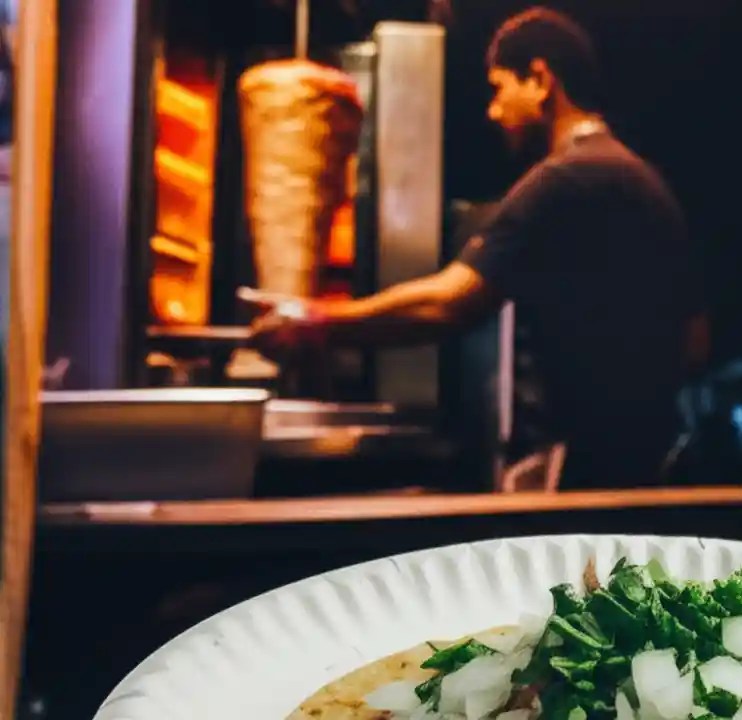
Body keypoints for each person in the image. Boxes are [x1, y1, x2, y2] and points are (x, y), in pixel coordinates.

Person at [248, 7, 705, 490]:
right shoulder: (645, 183)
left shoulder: (565, 178)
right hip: (644, 469)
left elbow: (448, 303)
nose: (493, 111)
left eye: (498, 88)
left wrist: (315, 324)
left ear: (540, 79)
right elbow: (696, 343)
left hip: (583, 472)